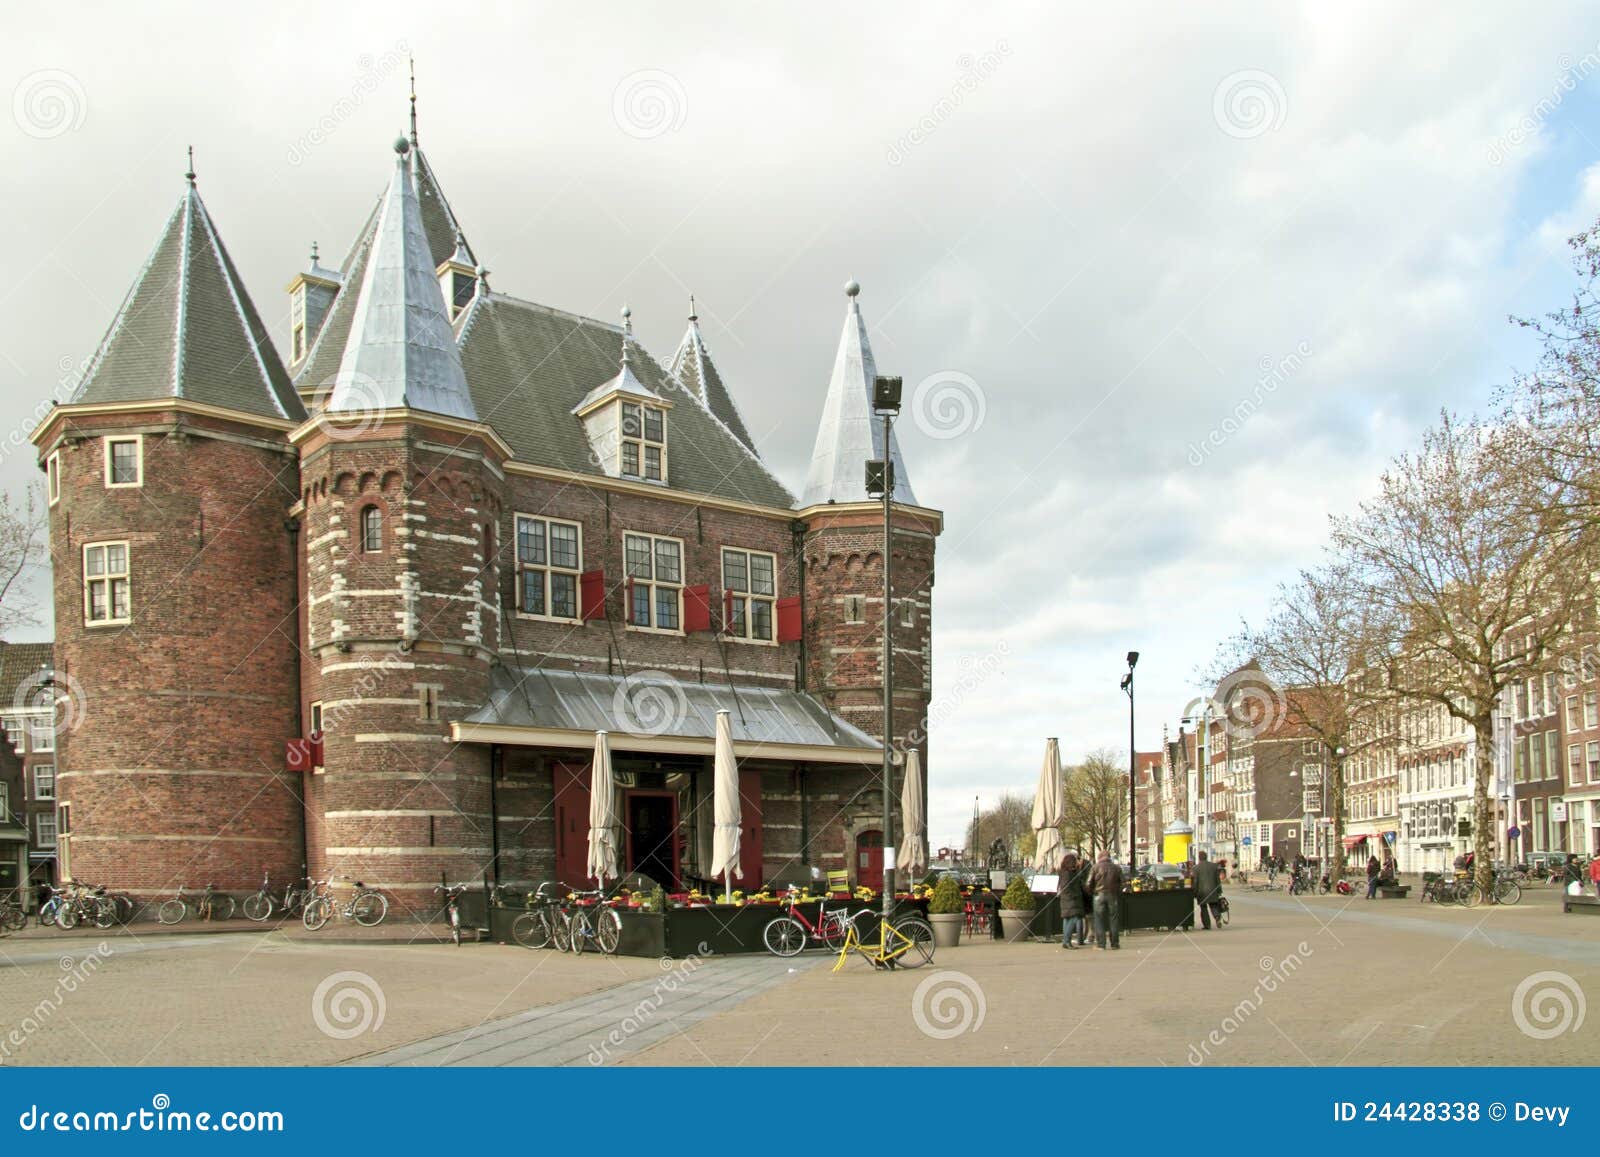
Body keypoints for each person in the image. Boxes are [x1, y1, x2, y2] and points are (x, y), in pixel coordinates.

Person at [1089, 849, 1124, 950]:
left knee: (1099, 919)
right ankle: (1115, 943)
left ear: (1099, 858)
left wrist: (1093, 891)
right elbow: (1123, 882)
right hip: (1113, 895)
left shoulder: (1095, 867)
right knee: (1113, 919)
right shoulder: (1117, 868)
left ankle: (1101, 944)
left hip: (1098, 895)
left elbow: (1088, 883)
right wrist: (1117, 891)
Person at [1057, 851, 1089, 949]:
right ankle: (1067, 941)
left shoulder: (1065, 872)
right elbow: (1067, 886)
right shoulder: (1069, 874)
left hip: (1067, 899)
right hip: (1071, 900)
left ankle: (1066, 941)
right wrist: (1074, 895)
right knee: (1073, 919)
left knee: (1067, 919)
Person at [1193, 850, 1223, 930]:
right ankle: (1217, 918)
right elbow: (1217, 879)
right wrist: (1219, 890)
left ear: (1199, 858)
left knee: (1203, 908)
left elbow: (1195, 881)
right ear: (1206, 857)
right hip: (1213, 890)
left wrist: (1194, 892)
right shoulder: (1214, 866)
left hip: (1202, 892)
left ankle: (1207, 925)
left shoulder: (1196, 868)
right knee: (1213, 905)